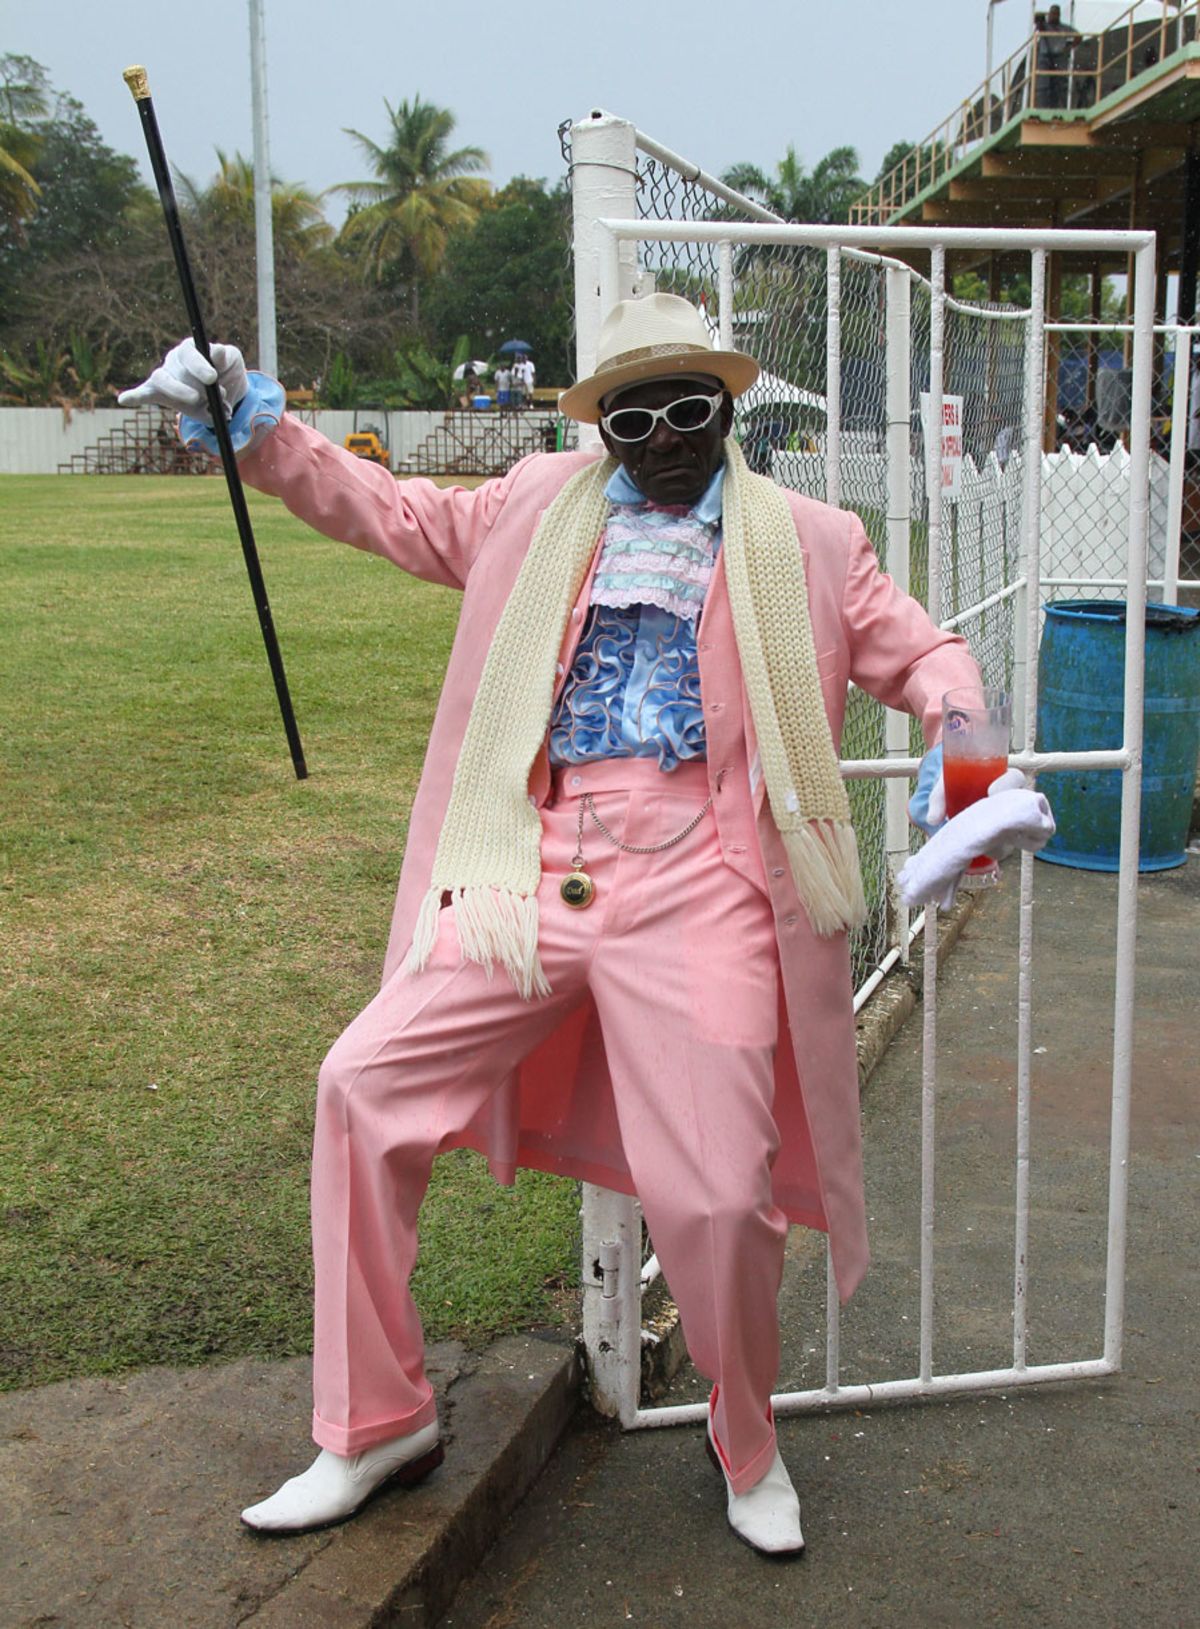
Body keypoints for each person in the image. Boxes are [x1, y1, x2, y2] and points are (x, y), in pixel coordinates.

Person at [120, 294, 983, 1557]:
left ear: (727, 410)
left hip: (707, 875)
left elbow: (928, 657)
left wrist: (964, 748)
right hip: (525, 862)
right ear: (606, 426)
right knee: (360, 1088)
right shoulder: (534, 503)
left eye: (690, 408)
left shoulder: (810, 537)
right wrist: (252, 421)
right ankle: (375, 1423)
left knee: (722, 1197)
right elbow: (392, 511)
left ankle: (746, 1441)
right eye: (636, 414)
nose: (665, 437)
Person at [1036, 5, 1081, 109]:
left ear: (1059, 15)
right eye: (1052, 14)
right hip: (1045, 57)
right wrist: (1040, 18)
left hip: (1059, 57)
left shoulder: (1063, 28)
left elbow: (1078, 36)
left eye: (1056, 14)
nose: (1053, 16)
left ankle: (1059, 106)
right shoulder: (1044, 26)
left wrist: (1069, 46)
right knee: (1043, 84)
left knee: (1060, 84)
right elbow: (1038, 22)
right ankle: (1044, 107)